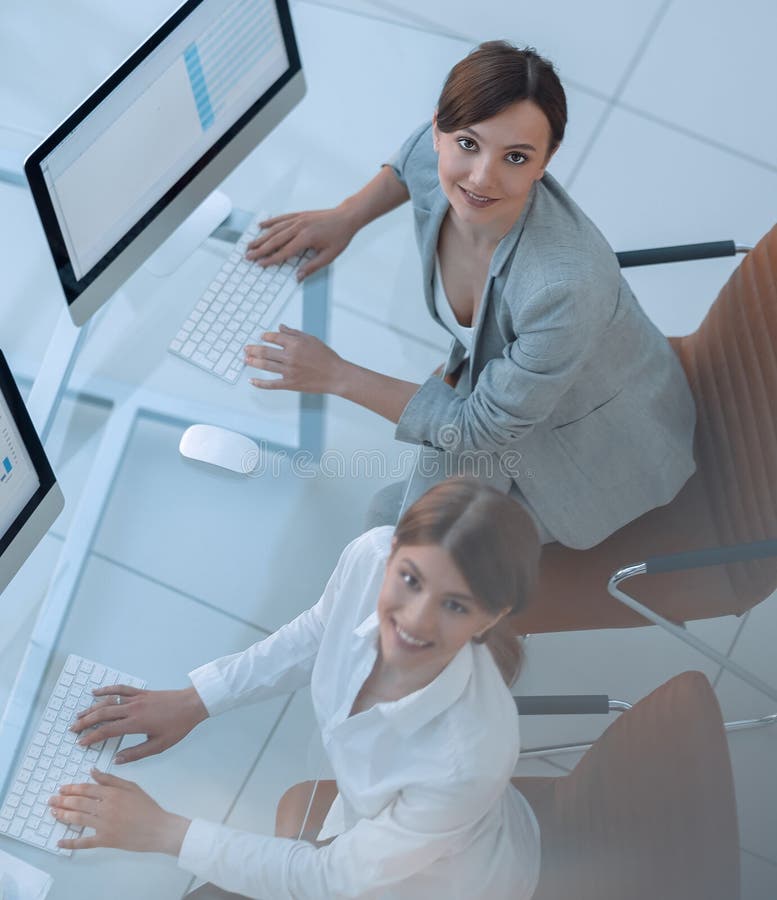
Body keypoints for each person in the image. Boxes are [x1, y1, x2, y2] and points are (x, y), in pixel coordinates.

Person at [239, 40, 696, 550]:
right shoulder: (437, 154)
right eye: (468, 144)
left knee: (392, 527)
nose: (481, 178)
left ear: (546, 160)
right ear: (439, 129)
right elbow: (408, 161)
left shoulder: (562, 290)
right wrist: (347, 216)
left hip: (597, 448)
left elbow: (476, 431)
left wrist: (337, 375)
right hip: (515, 396)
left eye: (516, 157)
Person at [51, 480, 542, 899]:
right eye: (410, 579)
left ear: (493, 617)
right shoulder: (371, 556)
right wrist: (196, 700)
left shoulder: (466, 758)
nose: (414, 620)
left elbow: (331, 879)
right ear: (394, 552)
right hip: (367, 843)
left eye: (454, 605)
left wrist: (161, 831)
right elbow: (318, 630)